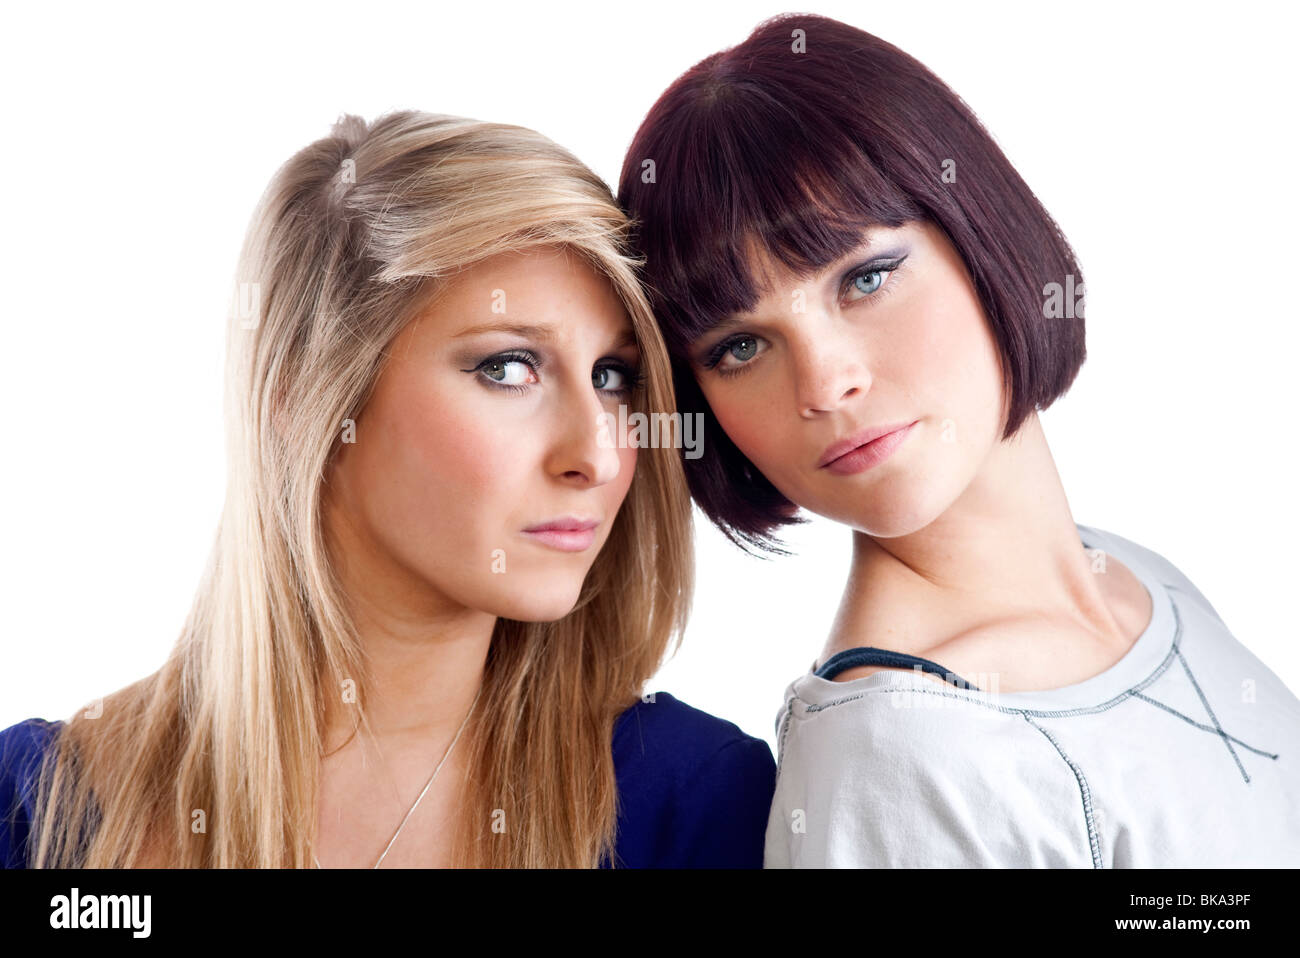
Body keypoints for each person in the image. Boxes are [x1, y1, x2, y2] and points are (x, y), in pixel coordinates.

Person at [0, 110, 774, 869]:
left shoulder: (690, 799)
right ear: (304, 399)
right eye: (508, 368)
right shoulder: (36, 807)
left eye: (614, 376)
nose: (598, 455)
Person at [616, 13, 1300, 867]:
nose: (826, 385)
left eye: (865, 278)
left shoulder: (1135, 578)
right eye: (740, 347)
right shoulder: (899, 754)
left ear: (978, 231)